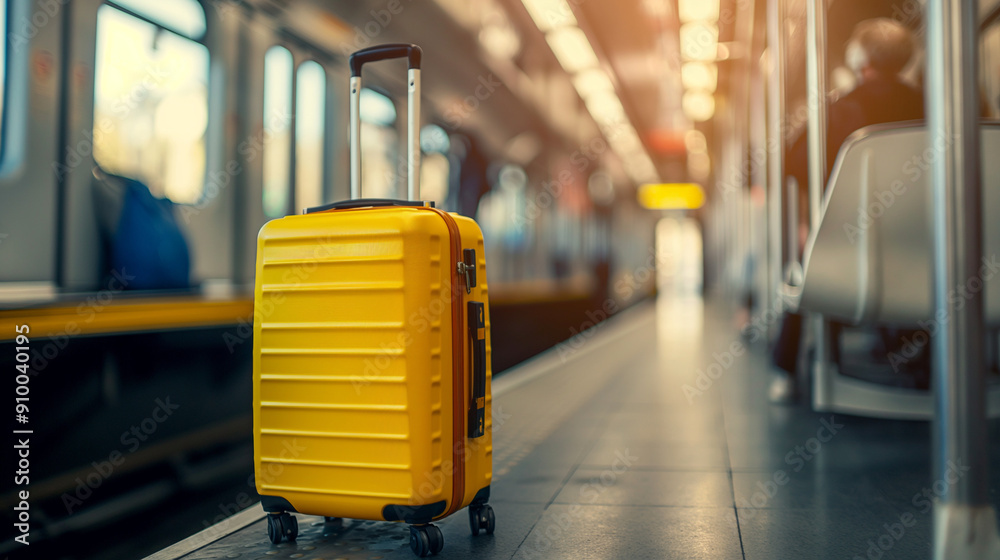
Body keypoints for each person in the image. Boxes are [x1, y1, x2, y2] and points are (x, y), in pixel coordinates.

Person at [770, 18, 924, 403]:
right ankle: (917, 358)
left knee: (809, 262)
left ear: (859, 57)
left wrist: (806, 226)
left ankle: (786, 373)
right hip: (925, 253)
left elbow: (793, 168)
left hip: (845, 255)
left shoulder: (836, 112)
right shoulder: (935, 106)